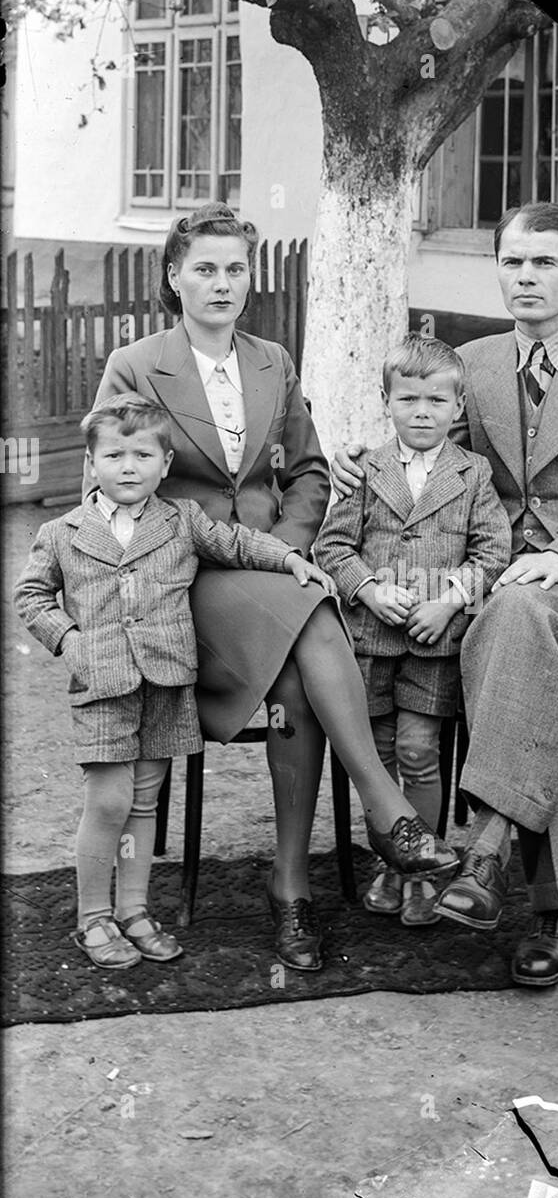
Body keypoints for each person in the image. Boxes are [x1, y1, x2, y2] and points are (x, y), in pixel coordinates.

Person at [89, 202, 457, 973]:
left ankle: (291, 889)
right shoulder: (136, 363)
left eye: (235, 269)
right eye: (205, 269)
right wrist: (255, 558)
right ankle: (385, 810)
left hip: (268, 572)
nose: (222, 284)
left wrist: (280, 549)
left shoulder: (272, 361)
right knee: (313, 611)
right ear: (174, 277)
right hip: (178, 575)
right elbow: (110, 480)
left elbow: (312, 471)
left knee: (297, 668)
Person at [332, 201, 558, 986]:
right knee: (518, 642)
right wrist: (363, 459)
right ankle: (551, 903)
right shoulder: (472, 362)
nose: (526, 277)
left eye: (544, 262)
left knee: (520, 619)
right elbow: (427, 448)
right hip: (483, 577)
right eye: (513, 262)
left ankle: (484, 851)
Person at [14, 393, 338, 968]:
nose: (129, 466)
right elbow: (32, 597)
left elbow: (237, 543)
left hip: (165, 685)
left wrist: (289, 560)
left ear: (165, 465)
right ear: (91, 463)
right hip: (104, 684)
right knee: (108, 801)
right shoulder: (62, 532)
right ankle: (94, 917)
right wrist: (71, 641)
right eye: (114, 455)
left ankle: (135, 910)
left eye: (143, 454)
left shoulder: (182, 520)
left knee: (144, 802)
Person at [314, 333, 511, 926]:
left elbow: (493, 550)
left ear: (458, 408)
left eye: (435, 402)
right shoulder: (365, 471)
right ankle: (396, 861)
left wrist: (449, 602)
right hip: (372, 643)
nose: (421, 413)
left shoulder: (473, 474)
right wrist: (371, 590)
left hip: (434, 644)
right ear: (386, 401)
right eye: (407, 400)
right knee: (376, 755)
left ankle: (420, 877)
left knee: (419, 752)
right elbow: (333, 546)